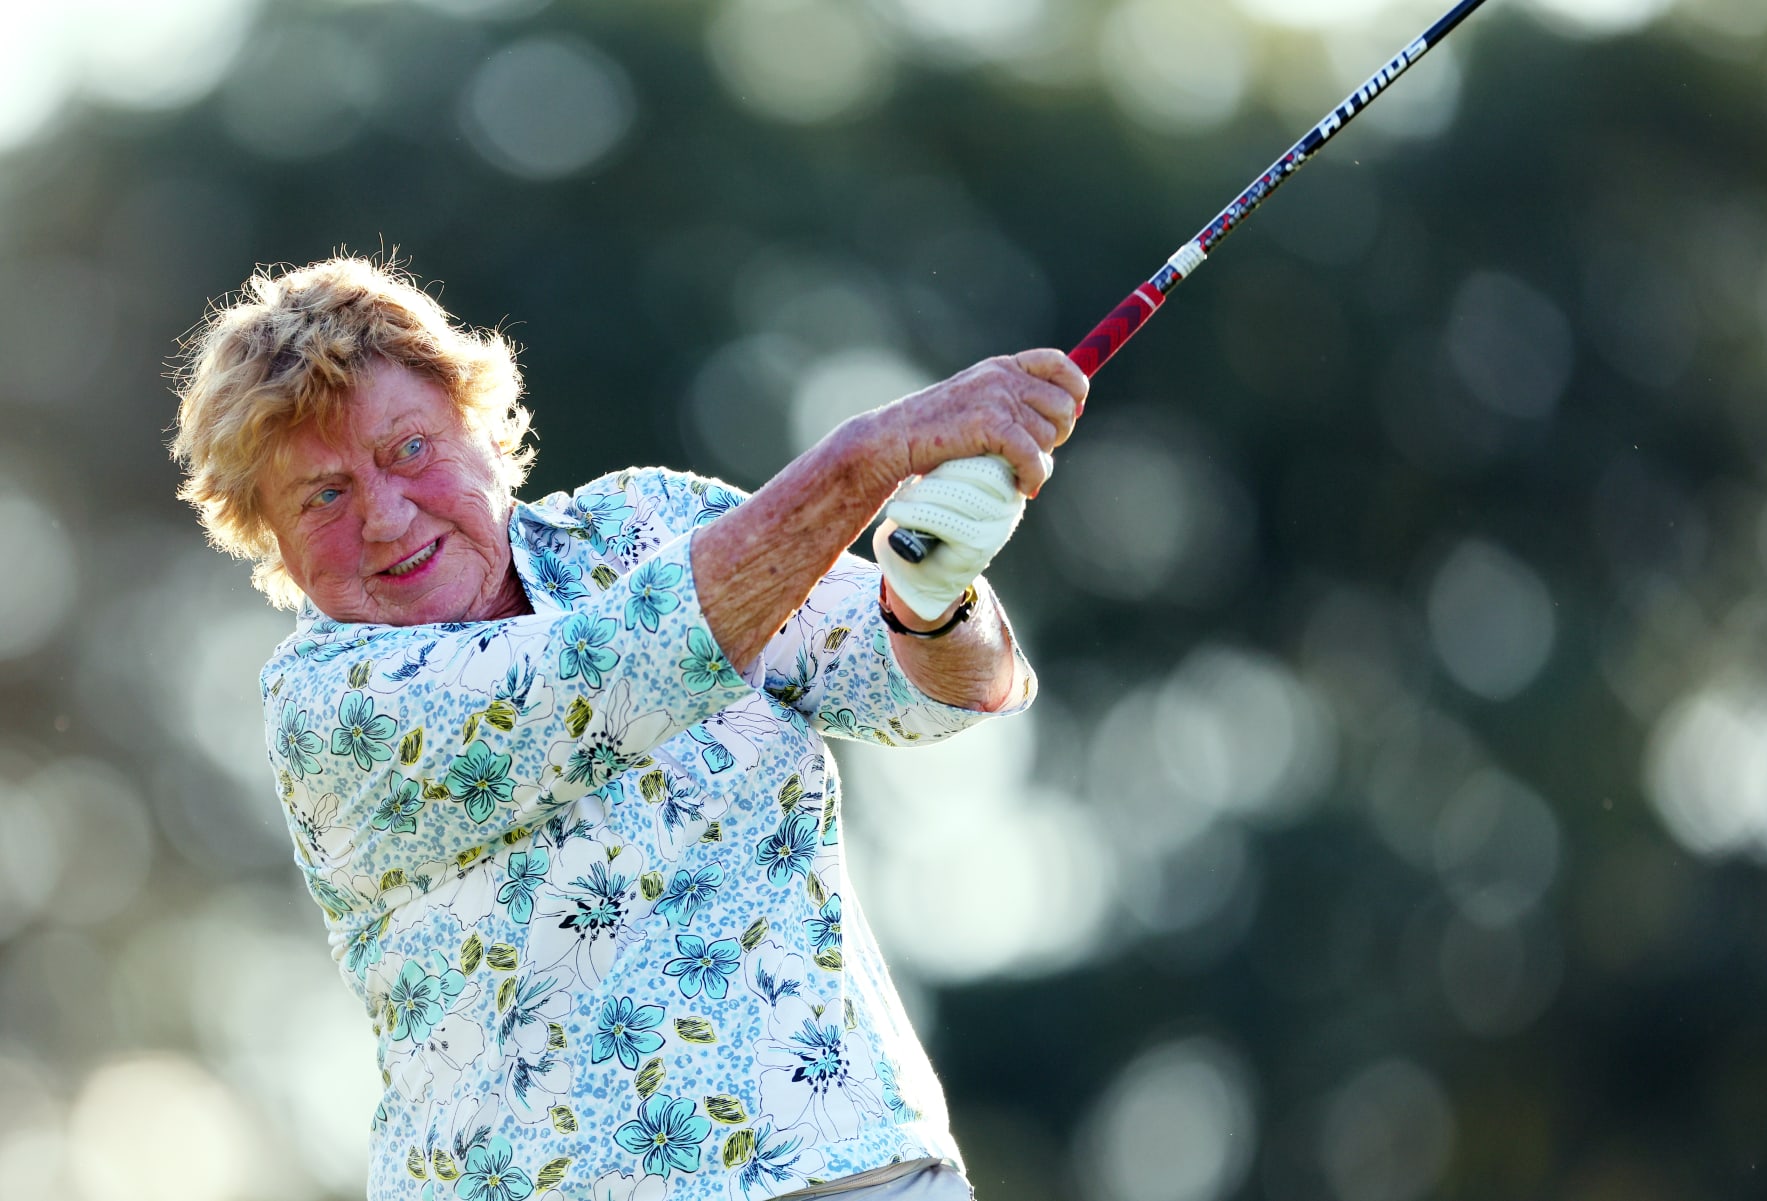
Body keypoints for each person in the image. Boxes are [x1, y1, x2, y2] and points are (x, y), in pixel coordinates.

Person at [170, 256, 1083, 1201]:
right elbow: (623, 665)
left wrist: (934, 597)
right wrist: (870, 456)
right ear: (269, 536)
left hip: (860, 1168)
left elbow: (932, 689)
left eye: (408, 449)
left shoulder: (650, 521)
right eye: (323, 496)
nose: (386, 517)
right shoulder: (326, 707)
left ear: (482, 425)